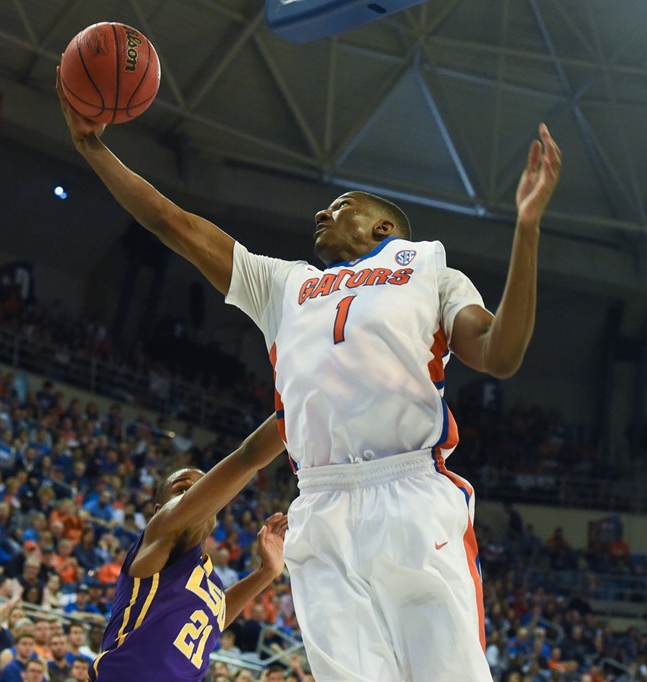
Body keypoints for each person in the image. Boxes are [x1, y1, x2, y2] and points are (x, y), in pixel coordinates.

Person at [57, 63, 561, 682]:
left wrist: (527, 230)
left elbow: (500, 354)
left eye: (341, 206)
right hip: (319, 504)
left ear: (382, 227)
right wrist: (92, 147)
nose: (322, 213)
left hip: (409, 488)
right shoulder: (284, 284)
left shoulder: (428, 267)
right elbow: (175, 224)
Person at [76, 416, 287, 680]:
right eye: (184, 490)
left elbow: (214, 618)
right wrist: (294, 407)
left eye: (203, 488)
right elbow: (249, 456)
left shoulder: (207, 578)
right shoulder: (160, 534)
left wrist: (266, 573)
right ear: (158, 511)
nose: (198, 495)